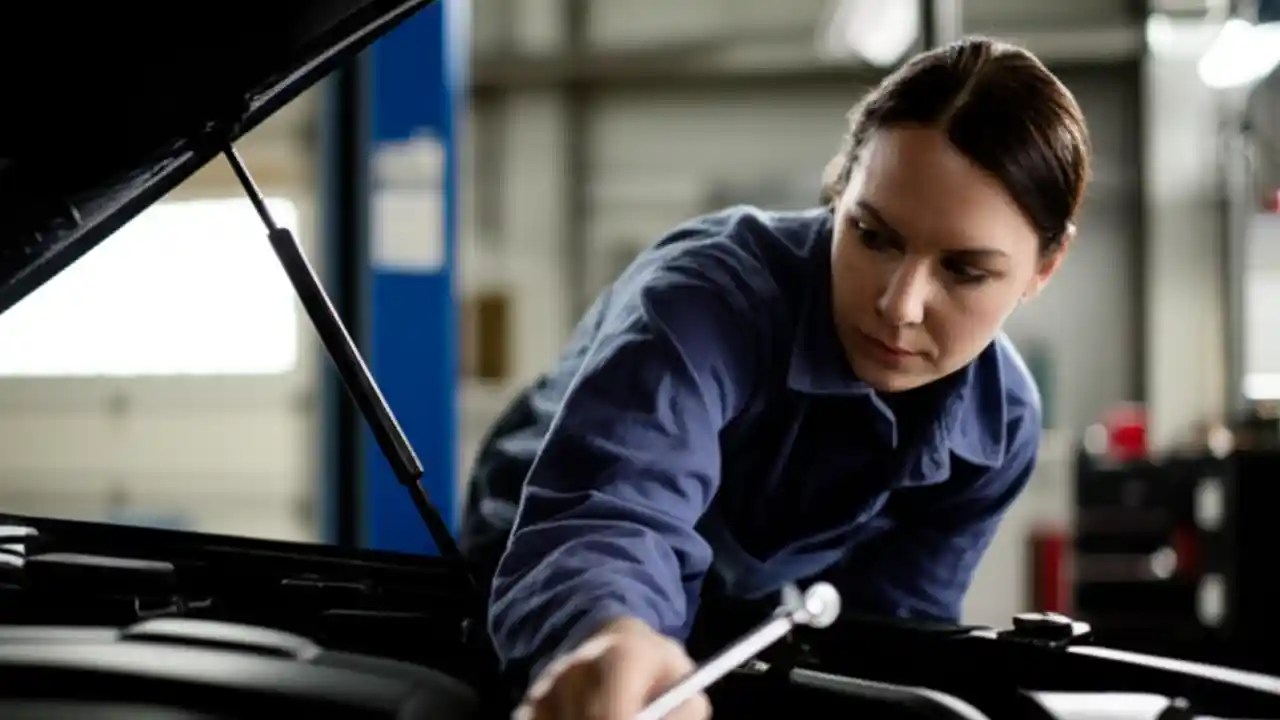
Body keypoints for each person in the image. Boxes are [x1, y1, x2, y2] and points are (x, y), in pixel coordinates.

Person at [459, 35, 1091, 720]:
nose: (900, 306)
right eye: (874, 236)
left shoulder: (1002, 427)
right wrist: (609, 635)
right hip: (545, 594)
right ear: (838, 191)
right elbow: (615, 511)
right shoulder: (705, 300)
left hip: (742, 619)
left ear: (1043, 269)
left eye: (964, 270)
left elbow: (892, 634)